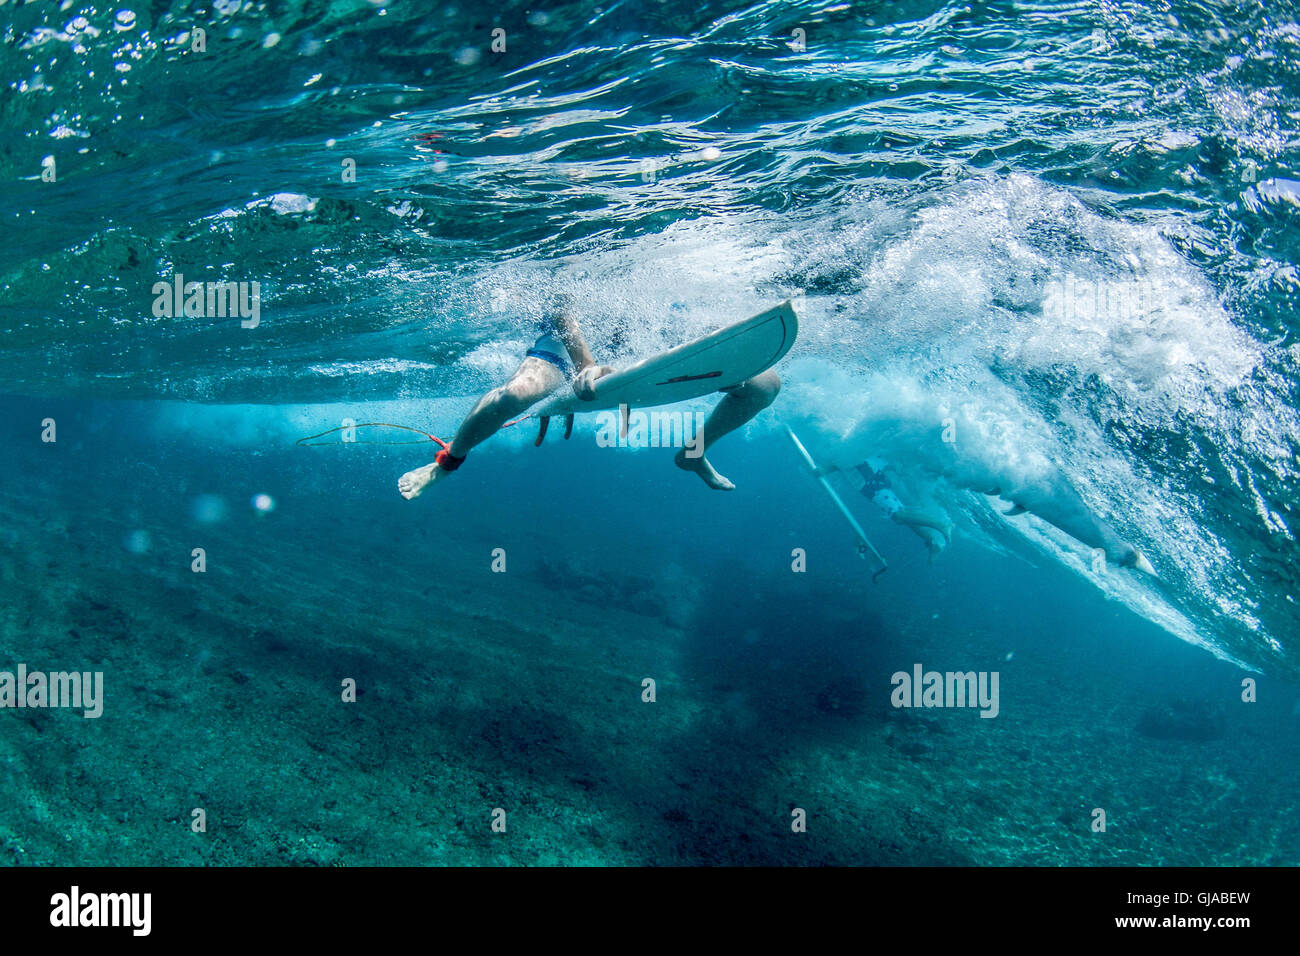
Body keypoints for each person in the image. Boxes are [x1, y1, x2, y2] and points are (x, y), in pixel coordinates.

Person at [397, 297, 781, 498]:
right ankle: (446, 463)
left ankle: (695, 452)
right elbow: (564, 312)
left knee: (764, 386)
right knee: (513, 398)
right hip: (570, 345)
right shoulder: (590, 215)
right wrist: (587, 365)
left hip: (644, 340)